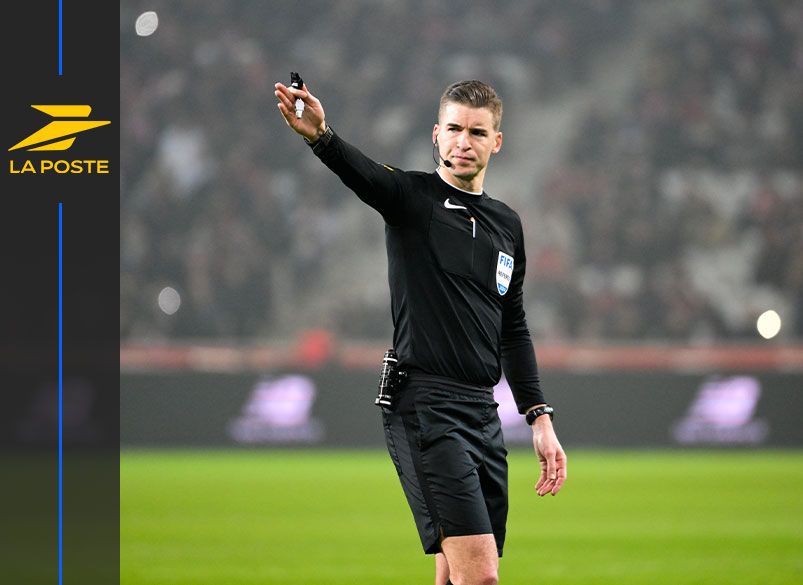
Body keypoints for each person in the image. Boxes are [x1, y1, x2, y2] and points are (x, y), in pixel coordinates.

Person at [275, 78, 567, 585]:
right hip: (425, 404)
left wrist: (538, 416)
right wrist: (321, 137)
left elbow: (513, 328)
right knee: (482, 576)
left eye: (477, 131)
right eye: (454, 128)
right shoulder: (412, 198)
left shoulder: (507, 225)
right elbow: (363, 174)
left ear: (496, 141)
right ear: (436, 134)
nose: (463, 141)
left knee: (454, 575)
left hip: (483, 411)